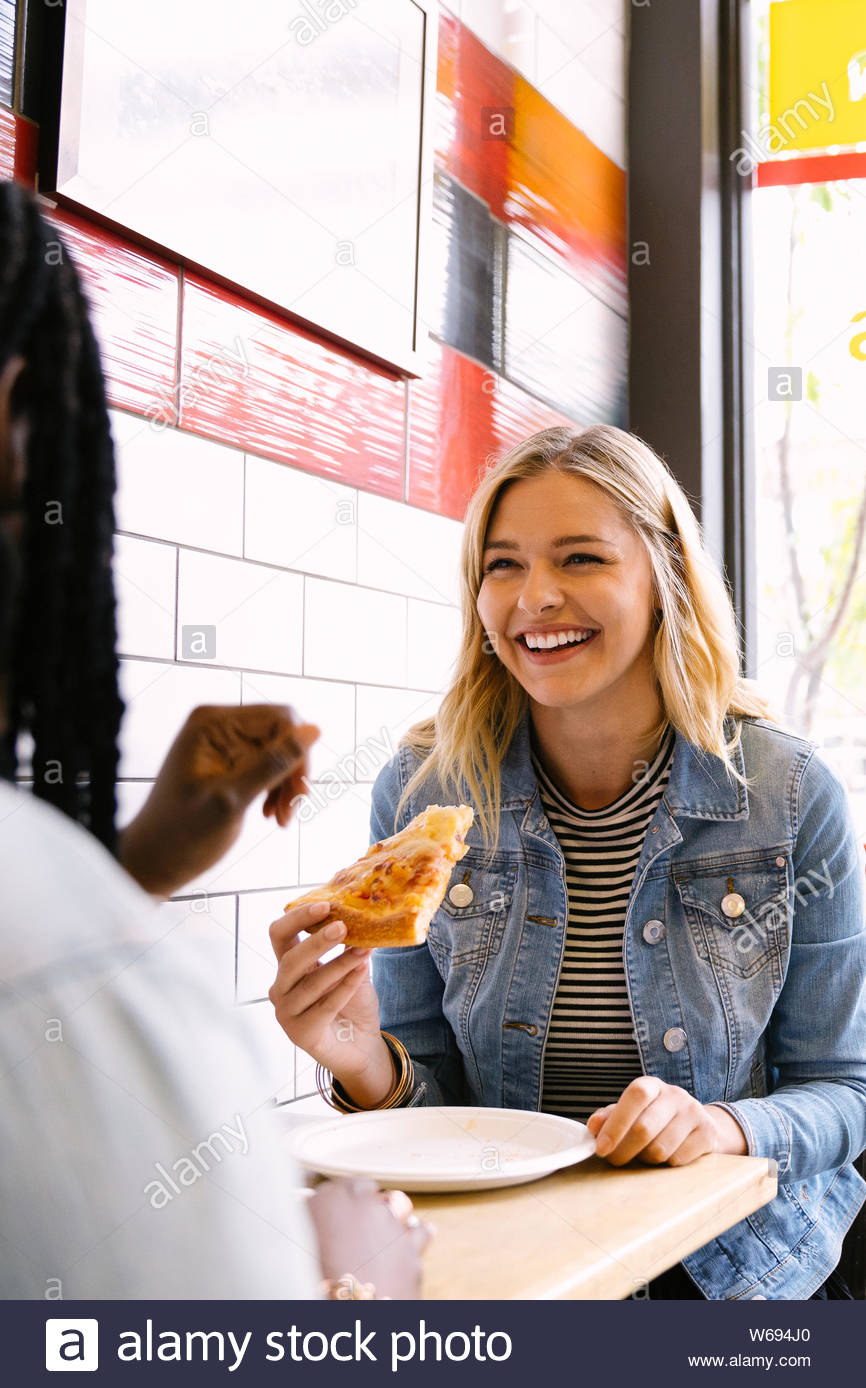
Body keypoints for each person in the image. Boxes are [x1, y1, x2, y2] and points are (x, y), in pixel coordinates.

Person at [270, 423, 866, 1300]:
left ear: (664, 581)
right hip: (512, 1263)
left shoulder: (788, 792)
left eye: (581, 559)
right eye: (502, 565)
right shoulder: (423, 792)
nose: (534, 597)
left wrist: (722, 1126)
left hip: (734, 1271)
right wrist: (363, 1061)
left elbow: (845, 1091)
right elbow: (434, 1119)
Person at [0, 179, 428, 1299]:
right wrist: (355, 1301)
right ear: (14, 430)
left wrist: (130, 871)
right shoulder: (80, 983)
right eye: (498, 563)